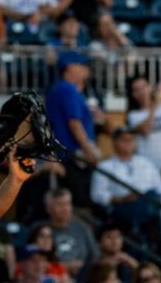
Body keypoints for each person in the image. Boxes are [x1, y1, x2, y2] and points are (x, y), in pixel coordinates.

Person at [45, 51, 100, 207]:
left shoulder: (60, 89)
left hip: (64, 155)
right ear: (69, 67)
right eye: (82, 65)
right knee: (79, 202)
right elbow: (74, 125)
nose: (87, 69)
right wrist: (89, 152)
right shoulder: (67, 89)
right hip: (73, 156)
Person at [90, 128, 161, 236]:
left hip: (147, 204)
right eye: (124, 140)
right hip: (120, 207)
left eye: (131, 140)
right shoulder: (105, 166)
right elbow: (97, 195)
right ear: (114, 142)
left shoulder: (146, 163)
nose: (128, 143)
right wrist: (121, 199)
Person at [36, 188, 100, 280]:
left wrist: (83, 267)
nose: (65, 208)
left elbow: (95, 256)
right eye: (59, 204)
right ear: (48, 208)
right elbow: (34, 262)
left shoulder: (82, 227)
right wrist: (64, 266)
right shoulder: (42, 230)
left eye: (67, 203)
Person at [125, 75, 161, 170]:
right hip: (147, 162)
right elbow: (145, 131)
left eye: (144, 87)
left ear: (150, 88)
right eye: (137, 90)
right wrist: (154, 106)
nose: (142, 92)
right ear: (133, 95)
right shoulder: (133, 115)